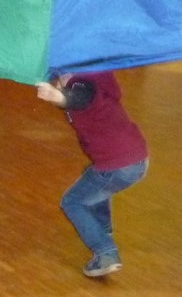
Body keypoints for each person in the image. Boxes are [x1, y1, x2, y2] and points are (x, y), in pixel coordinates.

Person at [36, 70, 149, 278]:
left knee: (73, 201)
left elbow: (80, 97)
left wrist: (58, 97)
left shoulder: (83, 84)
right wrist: (60, 97)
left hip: (119, 165)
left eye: (59, 75)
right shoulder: (97, 78)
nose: (58, 80)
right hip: (136, 159)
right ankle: (102, 229)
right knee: (93, 180)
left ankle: (106, 252)